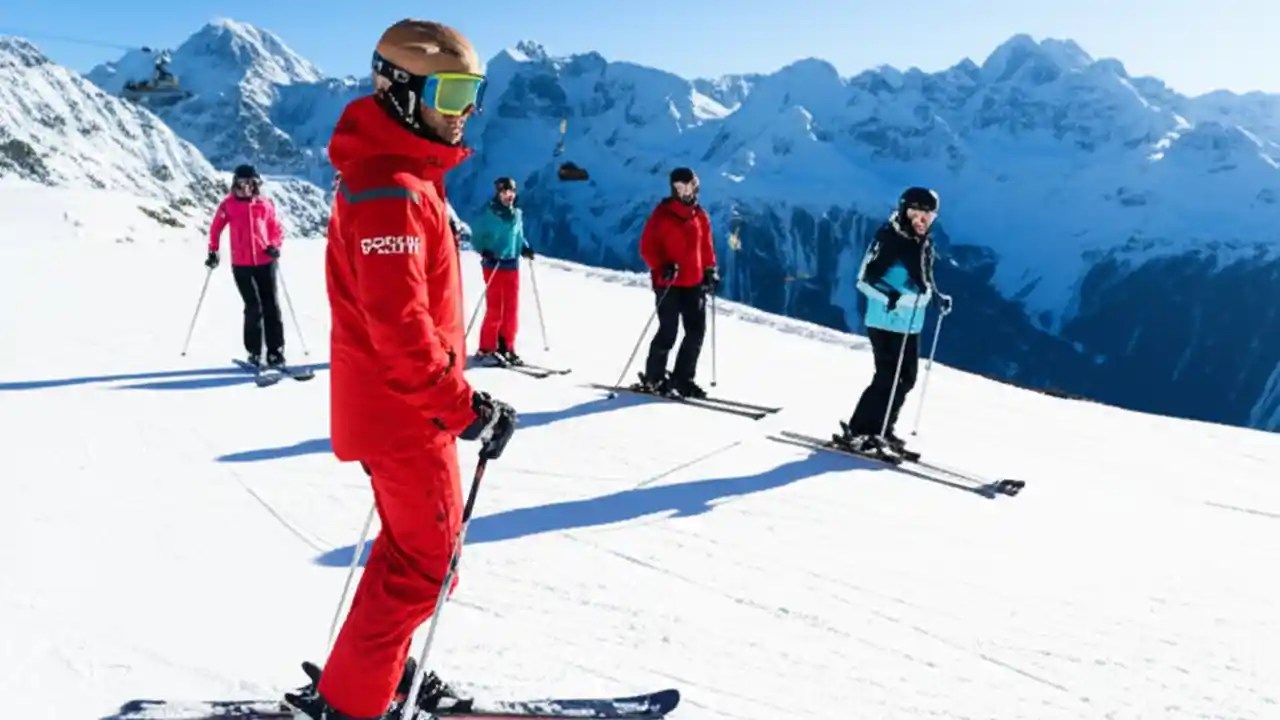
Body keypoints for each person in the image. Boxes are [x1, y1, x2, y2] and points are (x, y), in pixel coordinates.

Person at [283, 19, 516, 720]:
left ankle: (370, 672)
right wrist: (462, 406)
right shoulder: (390, 188)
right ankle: (356, 704)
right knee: (426, 566)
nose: (464, 109)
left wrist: (454, 397)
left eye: (472, 90)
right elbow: (399, 329)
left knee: (407, 553)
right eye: (449, 91)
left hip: (401, 408)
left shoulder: (402, 174)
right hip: (405, 414)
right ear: (397, 90)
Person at [838, 186, 953, 456]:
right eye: (916, 213)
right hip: (884, 320)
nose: (921, 221)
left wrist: (936, 296)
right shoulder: (889, 239)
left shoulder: (922, 242)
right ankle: (861, 429)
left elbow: (922, 280)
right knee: (888, 376)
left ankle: (882, 429)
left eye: (928, 216)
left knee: (907, 378)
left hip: (910, 323)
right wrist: (892, 297)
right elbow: (864, 279)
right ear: (904, 211)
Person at [636, 167, 718, 399]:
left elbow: (706, 247)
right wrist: (662, 267)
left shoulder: (699, 215)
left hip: (694, 282)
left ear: (696, 186)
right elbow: (647, 247)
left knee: (695, 332)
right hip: (668, 283)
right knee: (668, 331)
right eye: (679, 188)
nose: (684, 192)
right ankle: (654, 377)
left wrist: (710, 269)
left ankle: (683, 379)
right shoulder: (661, 215)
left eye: (688, 186)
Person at [205, 163, 287, 368]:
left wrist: (274, 246)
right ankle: (254, 352)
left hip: (265, 261)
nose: (245, 188)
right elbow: (216, 228)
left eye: (249, 183)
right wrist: (213, 251)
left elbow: (275, 228)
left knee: (271, 305)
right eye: (240, 184)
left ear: (256, 184)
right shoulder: (228, 205)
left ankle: (275, 351)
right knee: (253, 306)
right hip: (241, 264)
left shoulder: (265, 204)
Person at [468, 176, 533, 365]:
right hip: (494, 264)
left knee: (511, 308)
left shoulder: (517, 214)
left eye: (511, 192)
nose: (509, 196)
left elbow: (518, 236)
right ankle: (487, 348)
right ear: (498, 194)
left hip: (511, 264)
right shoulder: (489, 214)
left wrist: (525, 247)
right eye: (505, 192)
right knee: (496, 307)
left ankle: (507, 346)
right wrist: (484, 249)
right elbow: (477, 236)